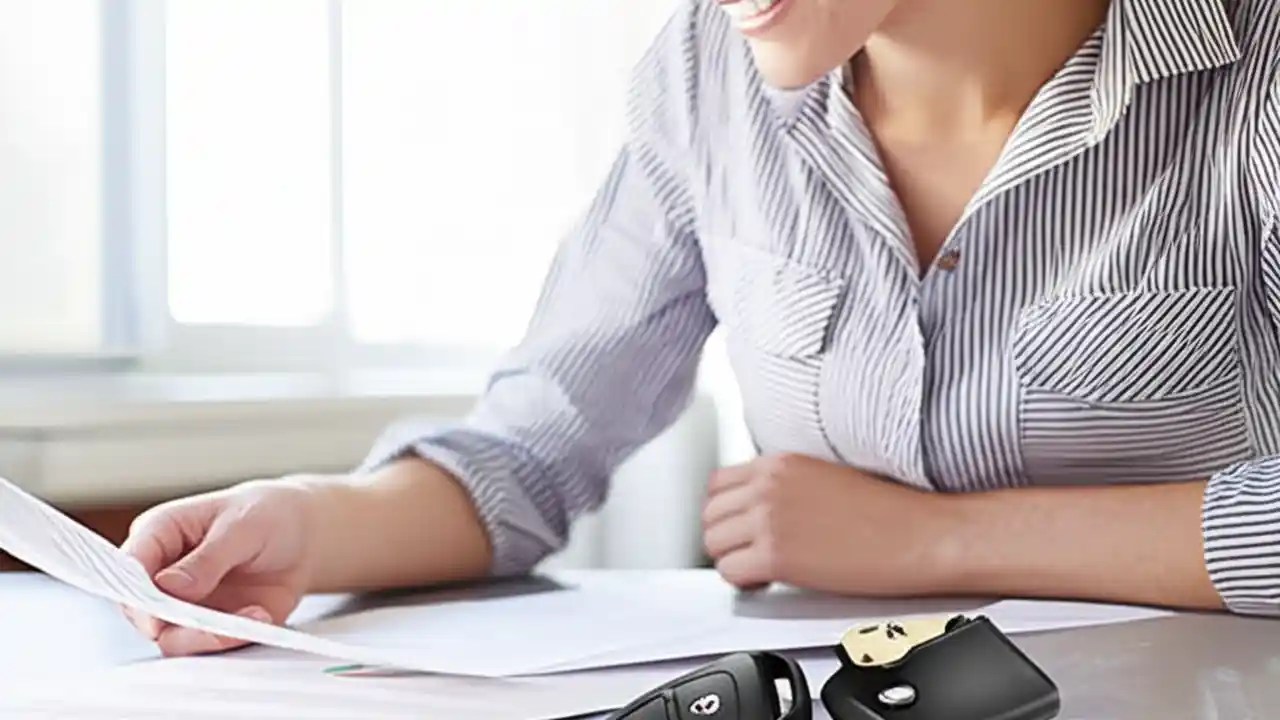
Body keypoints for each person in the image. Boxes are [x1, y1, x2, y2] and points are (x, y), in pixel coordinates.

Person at [124, 0, 1280, 657]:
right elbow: (529, 452)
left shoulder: (1254, 71)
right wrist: (306, 529)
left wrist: (930, 544)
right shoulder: (703, 79)